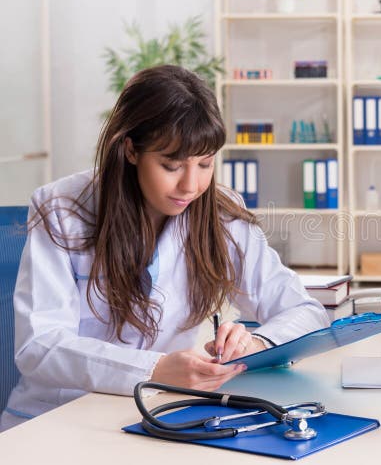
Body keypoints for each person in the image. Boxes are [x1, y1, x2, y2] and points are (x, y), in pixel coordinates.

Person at [0, 65, 329, 431]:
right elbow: (40, 346)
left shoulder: (222, 214)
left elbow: (305, 311)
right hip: (55, 419)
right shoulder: (61, 209)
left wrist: (257, 342)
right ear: (131, 150)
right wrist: (154, 369)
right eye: (171, 165)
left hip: (158, 415)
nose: (191, 185)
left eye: (205, 164)